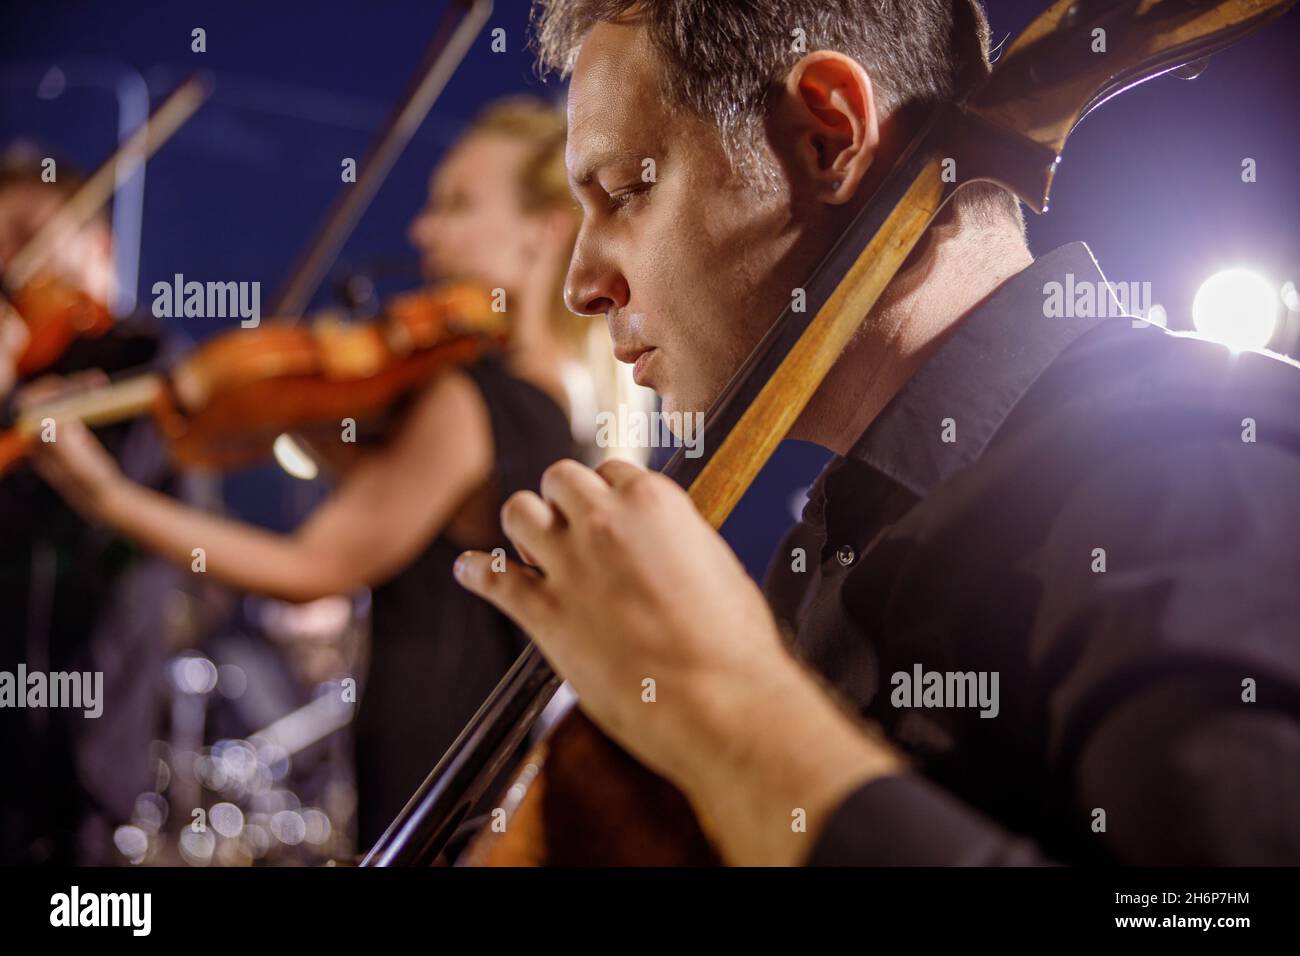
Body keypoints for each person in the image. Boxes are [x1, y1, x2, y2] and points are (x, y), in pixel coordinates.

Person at [451, 0, 1300, 866]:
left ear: (827, 137)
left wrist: (730, 710)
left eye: (628, 192)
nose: (583, 286)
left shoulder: (1192, 463)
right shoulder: (819, 560)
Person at [32, 97, 625, 849]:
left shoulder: (471, 399)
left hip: (429, 763)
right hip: (485, 769)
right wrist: (289, 397)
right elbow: (386, 478)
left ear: (545, 234)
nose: (421, 230)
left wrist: (106, 494)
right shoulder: (555, 403)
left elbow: (313, 564)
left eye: (456, 205)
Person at [0, 148, 187, 865]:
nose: (10, 259)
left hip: (89, 736)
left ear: (99, 246)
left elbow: (111, 509)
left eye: (27, 233)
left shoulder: (139, 360)